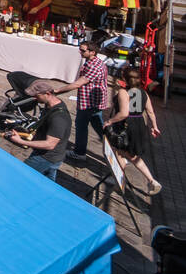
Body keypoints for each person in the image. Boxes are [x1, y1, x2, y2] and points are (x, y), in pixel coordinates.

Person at [104, 66, 163, 195]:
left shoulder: (123, 92)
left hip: (126, 124)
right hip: (139, 124)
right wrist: (155, 127)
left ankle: (119, 181)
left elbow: (124, 113)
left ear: (124, 78)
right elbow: (151, 112)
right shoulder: (143, 93)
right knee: (133, 155)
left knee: (119, 152)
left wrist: (109, 121)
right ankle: (152, 181)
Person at [6, 80, 71, 181]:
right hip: (50, 157)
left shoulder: (59, 118)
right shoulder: (50, 104)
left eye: (37, 95)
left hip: (46, 157)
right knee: (46, 185)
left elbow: (50, 144)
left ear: (48, 93)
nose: (34, 98)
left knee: (19, 178)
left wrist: (21, 141)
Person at [58, 40, 109, 163]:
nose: (80, 52)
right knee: (98, 128)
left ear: (92, 52)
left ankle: (80, 152)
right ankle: (112, 151)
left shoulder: (93, 66)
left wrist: (57, 91)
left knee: (82, 127)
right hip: (93, 101)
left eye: (83, 50)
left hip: (89, 103)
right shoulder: (95, 62)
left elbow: (77, 84)